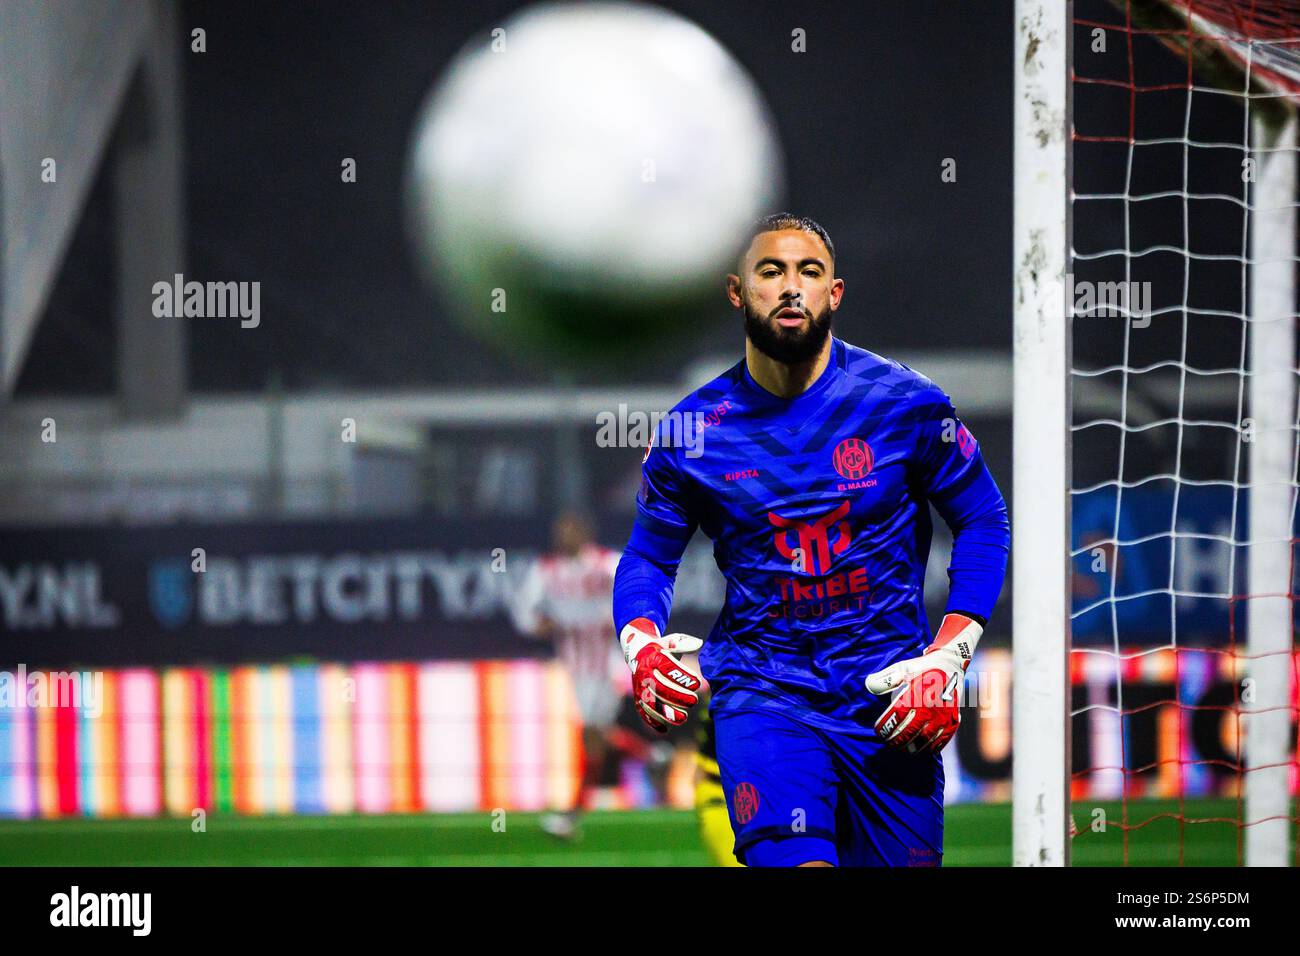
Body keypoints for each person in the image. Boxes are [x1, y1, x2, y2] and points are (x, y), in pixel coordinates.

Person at [611, 214, 1010, 866]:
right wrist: (640, 642)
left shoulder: (907, 404)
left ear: (835, 293)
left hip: (890, 698)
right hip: (763, 695)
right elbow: (649, 556)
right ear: (738, 292)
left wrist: (950, 653)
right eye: (771, 272)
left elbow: (983, 518)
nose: (790, 288)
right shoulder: (692, 431)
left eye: (809, 272)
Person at [511, 510, 624, 839]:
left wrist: (624, 619)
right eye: (561, 530)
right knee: (595, 736)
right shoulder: (546, 570)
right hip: (573, 664)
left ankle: (572, 814)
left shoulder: (607, 563)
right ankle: (652, 755)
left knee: (591, 735)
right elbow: (523, 612)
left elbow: (641, 592)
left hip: (610, 660)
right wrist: (539, 624)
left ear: (586, 532)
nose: (564, 536)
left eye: (571, 529)